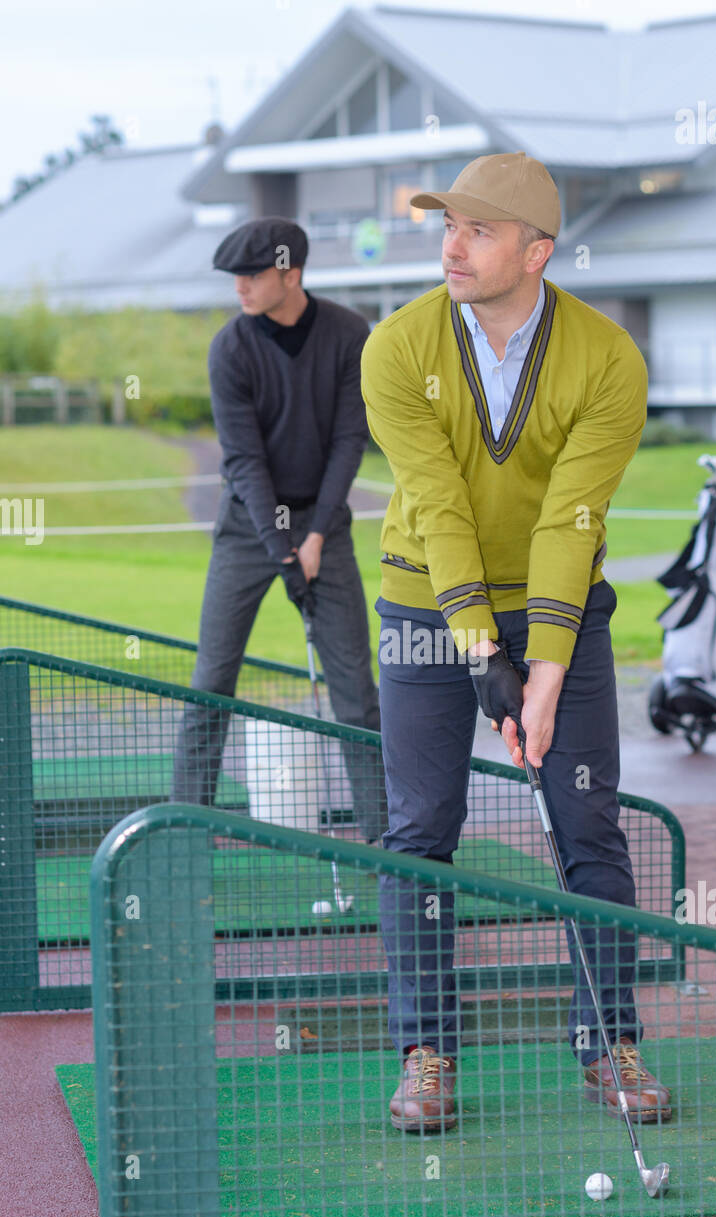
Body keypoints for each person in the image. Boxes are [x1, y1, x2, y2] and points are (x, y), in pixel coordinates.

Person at [360, 152, 672, 1131]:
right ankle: (426, 1051)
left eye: (480, 230)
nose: (452, 245)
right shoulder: (397, 348)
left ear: (538, 251)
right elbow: (438, 503)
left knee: (587, 828)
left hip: (560, 608)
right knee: (420, 829)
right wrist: (478, 655)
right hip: (426, 609)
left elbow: (568, 521)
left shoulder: (607, 358)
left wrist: (538, 675)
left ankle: (608, 1041)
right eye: (446, 225)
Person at [172, 216, 387, 844]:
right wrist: (282, 547)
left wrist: (316, 536)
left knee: (356, 689)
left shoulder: (350, 335)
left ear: (289, 272)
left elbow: (351, 440)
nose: (238, 287)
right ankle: (187, 825)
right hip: (248, 528)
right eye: (234, 276)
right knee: (212, 677)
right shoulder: (230, 348)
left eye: (251, 274)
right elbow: (242, 460)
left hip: (326, 526)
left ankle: (381, 835)